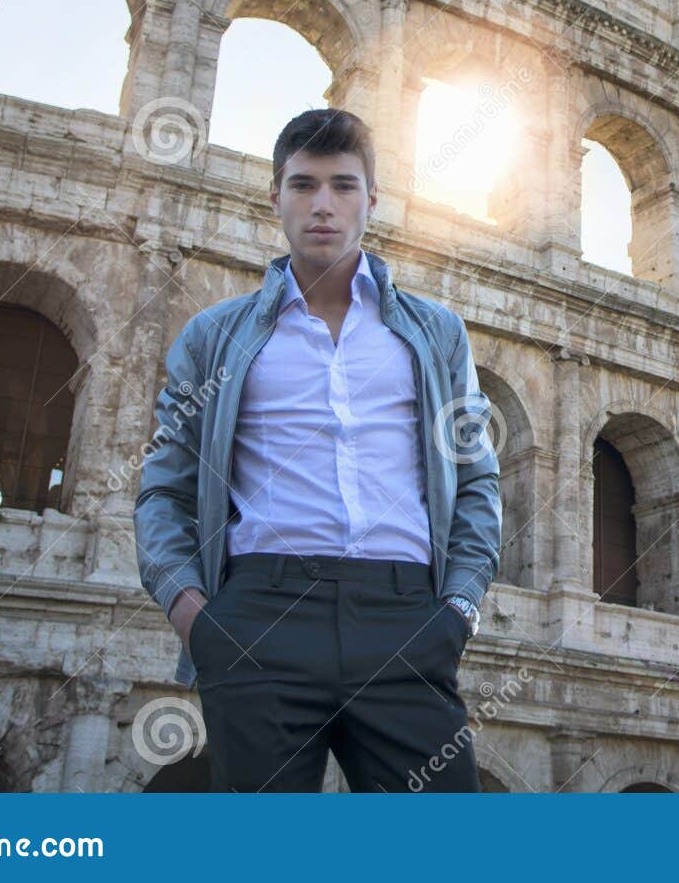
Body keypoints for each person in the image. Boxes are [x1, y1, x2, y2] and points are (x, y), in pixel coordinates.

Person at [133, 107, 501, 791]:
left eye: (342, 185)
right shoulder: (214, 336)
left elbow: (477, 479)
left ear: (373, 200)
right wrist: (195, 615)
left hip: (407, 617)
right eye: (303, 185)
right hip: (258, 616)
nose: (322, 205)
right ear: (274, 197)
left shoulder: (437, 334)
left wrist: (460, 609)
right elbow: (164, 488)